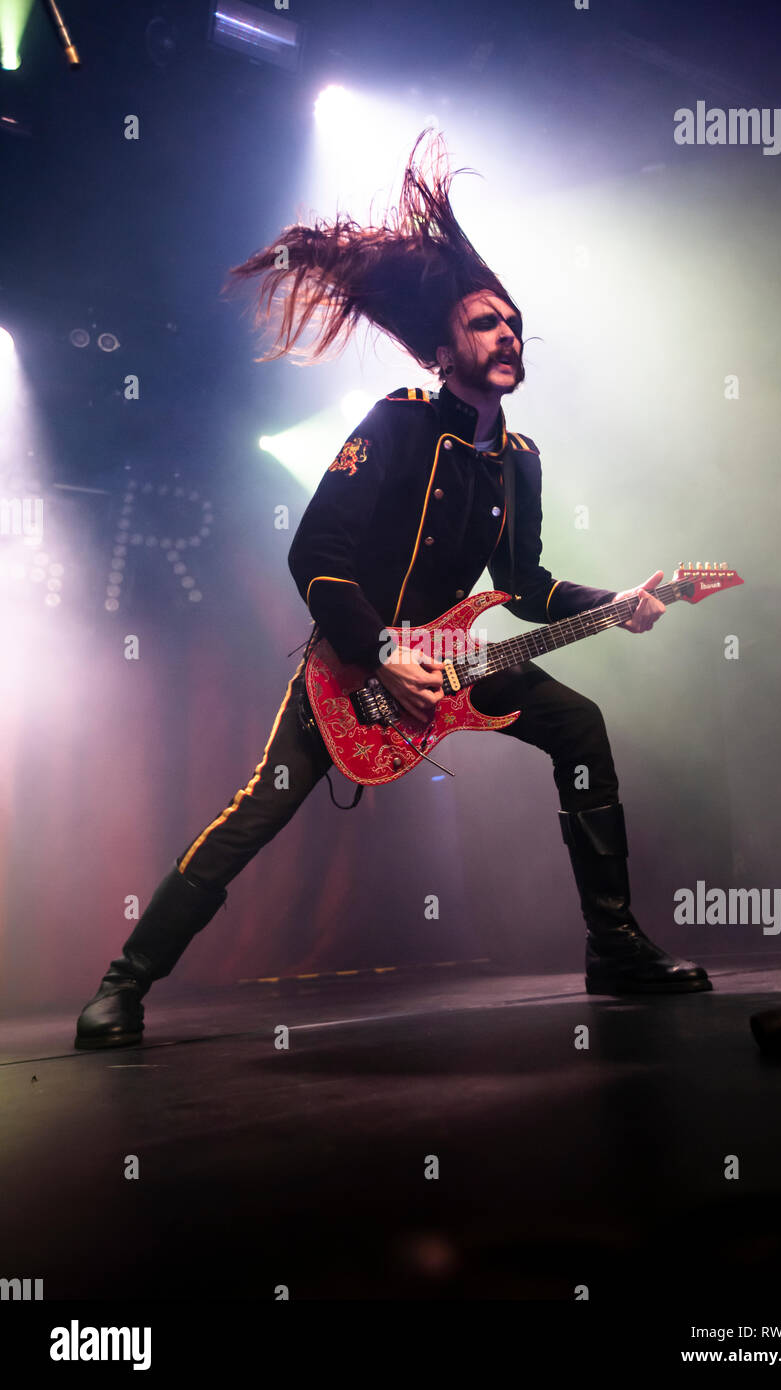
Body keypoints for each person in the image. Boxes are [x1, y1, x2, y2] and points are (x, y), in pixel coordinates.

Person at [75, 131, 710, 1051]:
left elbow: (524, 588)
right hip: (354, 662)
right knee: (258, 813)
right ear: (443, 347)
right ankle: (122, 986)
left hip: (454, 654)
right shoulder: (399, 425)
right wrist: (380, 648)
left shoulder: (519, 460)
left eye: (514, 323)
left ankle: (613, 946)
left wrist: (624, 599)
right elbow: (315, 555)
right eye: (487, 322)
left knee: (580, 725)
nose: (507, 335)